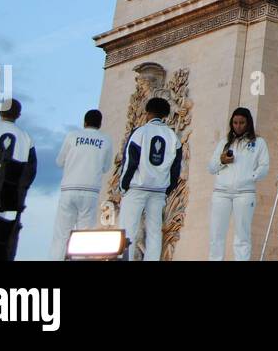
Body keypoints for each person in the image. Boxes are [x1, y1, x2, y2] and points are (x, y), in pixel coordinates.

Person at [119, 97, 182, 261]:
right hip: (159, 191)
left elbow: (130, 161)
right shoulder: (172, 136)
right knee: (154, 233)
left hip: (137, 188)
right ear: (165, 115)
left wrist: (123, 185)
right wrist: (168, 189)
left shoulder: (140, 132)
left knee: (127, 230)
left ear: (147, 113)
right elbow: (176, 168)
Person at [50, 109, 113, 260]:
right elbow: (106, 167)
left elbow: (59, 161)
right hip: (90, 191)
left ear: (84, 122)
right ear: (100, 124)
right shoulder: (105, 140)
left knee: (61, 235)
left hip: (69, 189)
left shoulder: (72, 136)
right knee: (83, 237)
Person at [207, 106, 268, 261]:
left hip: (245, 193)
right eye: (235, 122)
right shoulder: (224, 142)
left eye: (241, 122)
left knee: (242, 236)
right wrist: (221, 161)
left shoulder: (258, 142)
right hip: (221, 192)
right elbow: (211, 168)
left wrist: (249, 177)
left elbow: (264, 166)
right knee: (216, 234)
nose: (238, 126)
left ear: (248, 123)